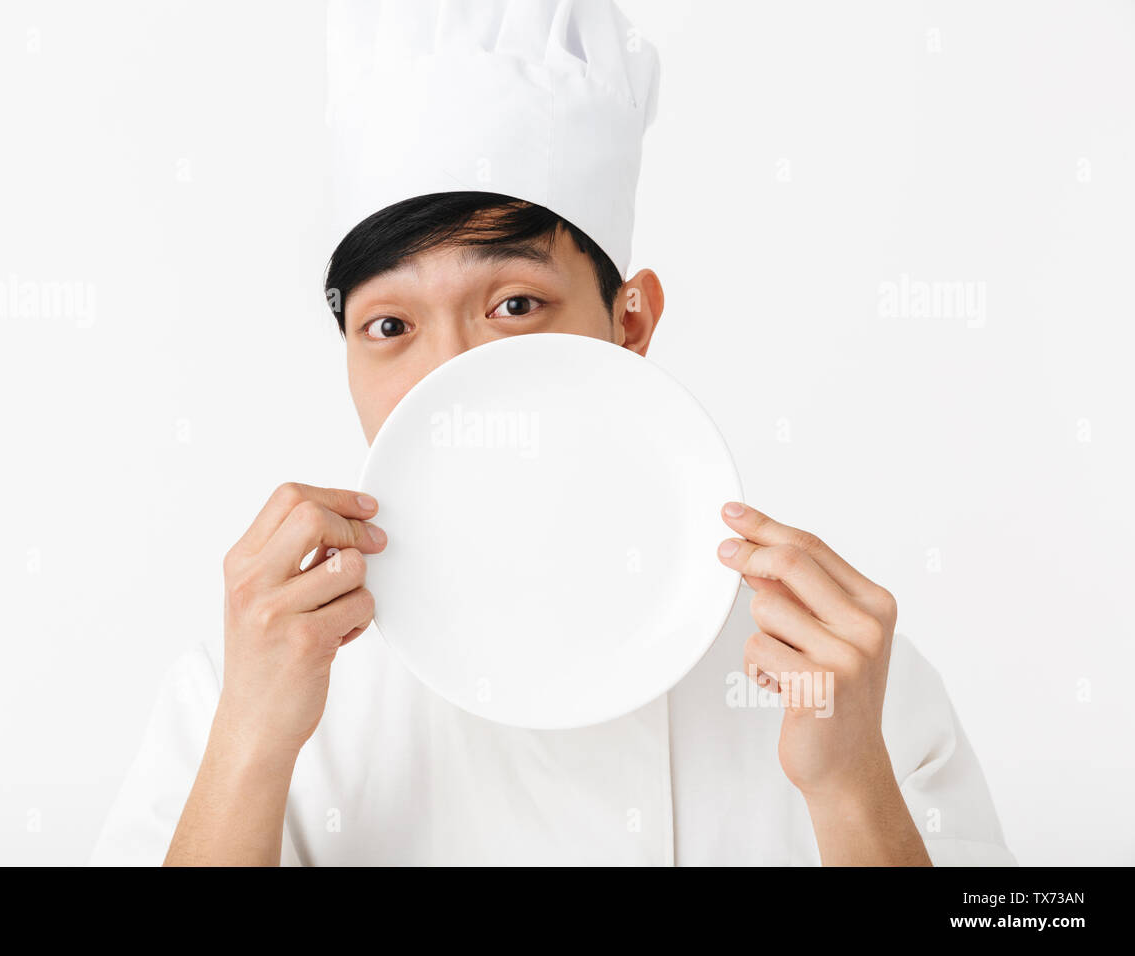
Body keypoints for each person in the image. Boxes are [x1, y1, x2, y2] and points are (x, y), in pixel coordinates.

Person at [89, 0, 1015, 866]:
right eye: (389, 327)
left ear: (631, 322)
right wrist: (253, 741)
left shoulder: (828, 661)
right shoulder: (255, 666)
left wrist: (849, 786)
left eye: (514, 303)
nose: (454, 377)